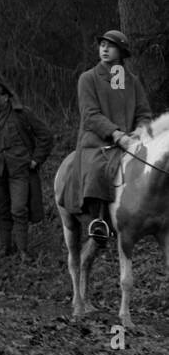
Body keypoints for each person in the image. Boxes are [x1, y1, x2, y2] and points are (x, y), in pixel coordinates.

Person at [63, 30, 153, 243]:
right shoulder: (88, 78)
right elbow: (90, 115)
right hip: (98, 142)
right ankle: (98, 221)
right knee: (97, 170)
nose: (104, 49)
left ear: (121, 52)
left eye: (110, 46)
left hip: (130, 141)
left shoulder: (131, 81)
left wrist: (139, 131)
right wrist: (116, 135)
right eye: (102, 44)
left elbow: (144, 114)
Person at [0, 79, 53, 259]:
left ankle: (23, 250)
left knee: (18, 209)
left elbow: (45, 135)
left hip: (19, 170)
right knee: (1, 210)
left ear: (4, 97)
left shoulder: (22, 113)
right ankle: (5, 247)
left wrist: (36, 159)